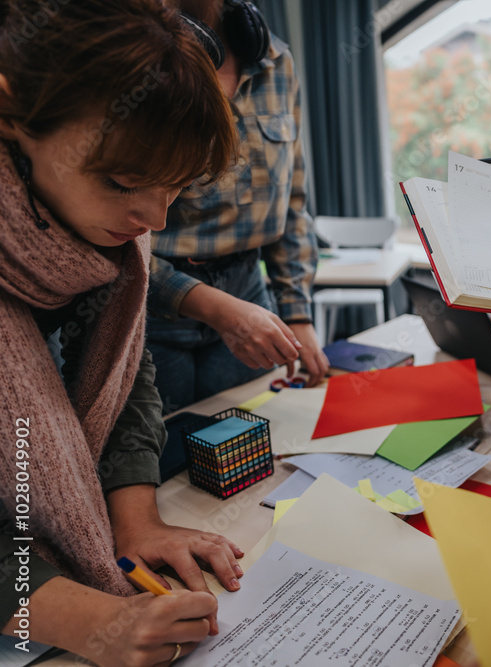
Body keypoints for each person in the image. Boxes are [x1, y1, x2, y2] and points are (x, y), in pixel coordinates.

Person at [0, 1, 246, 664]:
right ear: (12, 112)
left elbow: (123, 367)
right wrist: (80, 619)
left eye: (176, 188)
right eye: (123, 182)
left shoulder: (111, 242)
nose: (153, 220)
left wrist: (135, 518)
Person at [147, 0, 329, 411]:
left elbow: (293, 202)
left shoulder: (278, 61)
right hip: (156, 304)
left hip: (249, 290)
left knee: (254, 454)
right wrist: (218, 309)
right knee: (167, 460)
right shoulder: (143, 65)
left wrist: (298, 314)